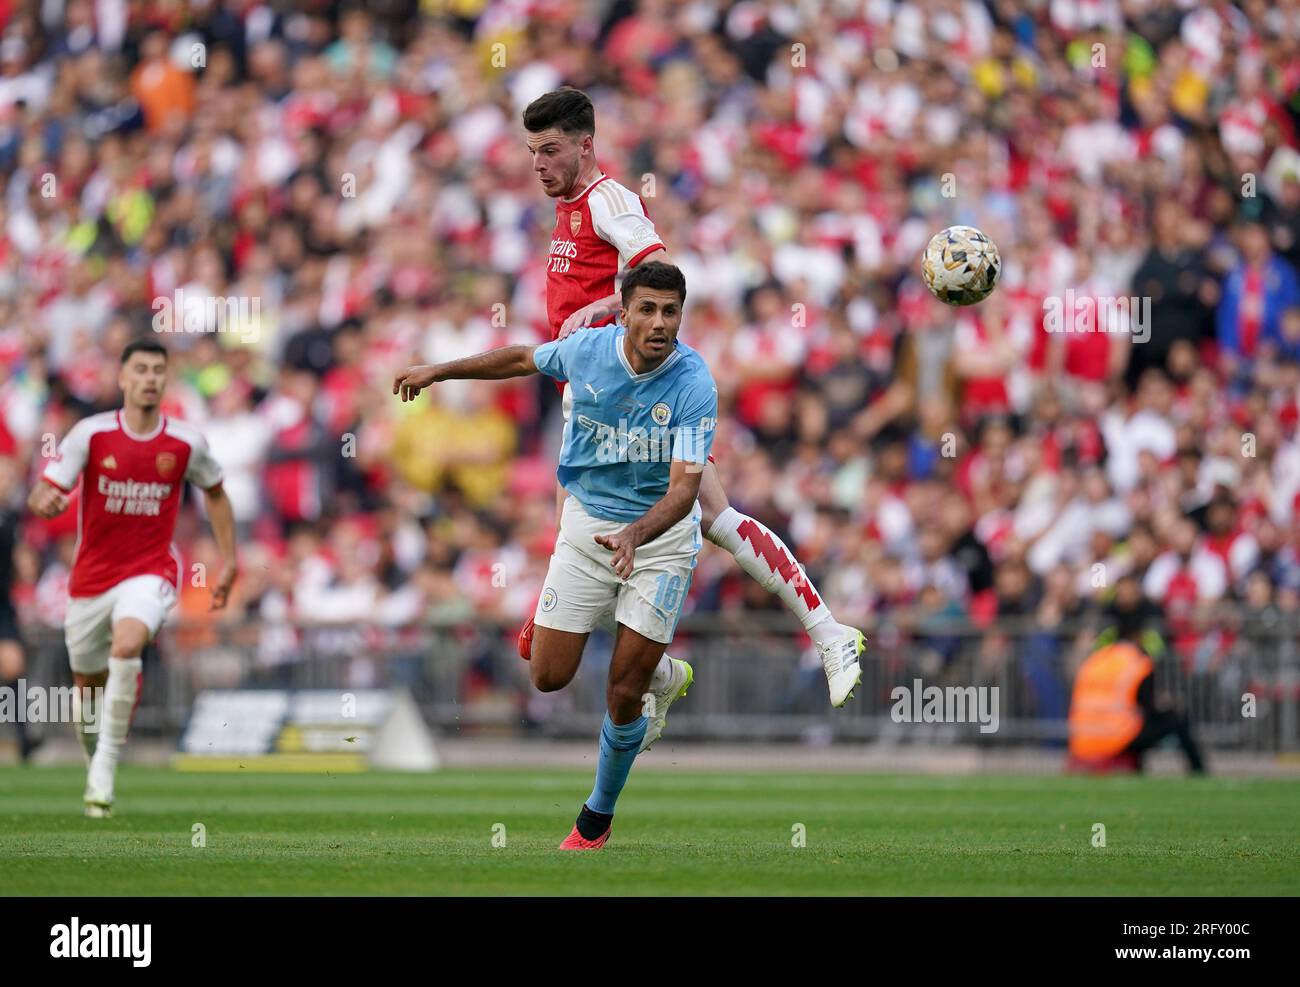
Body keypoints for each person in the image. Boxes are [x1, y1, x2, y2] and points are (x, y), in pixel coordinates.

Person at [517, 88, 864, 710]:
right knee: (597, 523)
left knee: (711, 514)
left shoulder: (608, 199)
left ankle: (827, 633)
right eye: (533, 151)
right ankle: (658, 675)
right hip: (592, 401)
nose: (539, 163)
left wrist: (605, 308)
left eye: (550, 150)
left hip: (633, 394)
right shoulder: (568, 207)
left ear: (585, 145)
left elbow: (658, 262)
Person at [395, 262, 713, 849]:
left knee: (622, 691)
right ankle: (663, 672)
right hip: (588, 524)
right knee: (547, 676)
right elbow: (519, 359)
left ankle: (596, 818)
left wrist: (637, 536)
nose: (659, 322)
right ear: (623, 312)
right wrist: (438, 372)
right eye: (647, 308)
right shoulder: (587, 351)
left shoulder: (694, 382)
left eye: (670, 311)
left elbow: (686, 491)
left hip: (661, 538)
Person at [27, 339, 238, 816]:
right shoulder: (91, 434)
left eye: (158, 371)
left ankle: (105, 767)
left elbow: (217, 492)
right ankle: (94, 755)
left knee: (126, 646)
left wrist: (229, 560)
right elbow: (48, 487)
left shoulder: (185, 442)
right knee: (88, 688)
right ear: (122, 378)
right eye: (140, 369)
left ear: (166, 379)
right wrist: (43, 500)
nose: (149, 378)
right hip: (90, 579)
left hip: (151, 569)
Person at [1068, 578, 1205, 775]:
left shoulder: (1093, 663)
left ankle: (1137, 767)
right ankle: (1199, 771)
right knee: (1174, 720)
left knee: (1139, 722)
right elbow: (1149, 705)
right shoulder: (1135, 664)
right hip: (1115, 737)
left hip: (1082, 741)